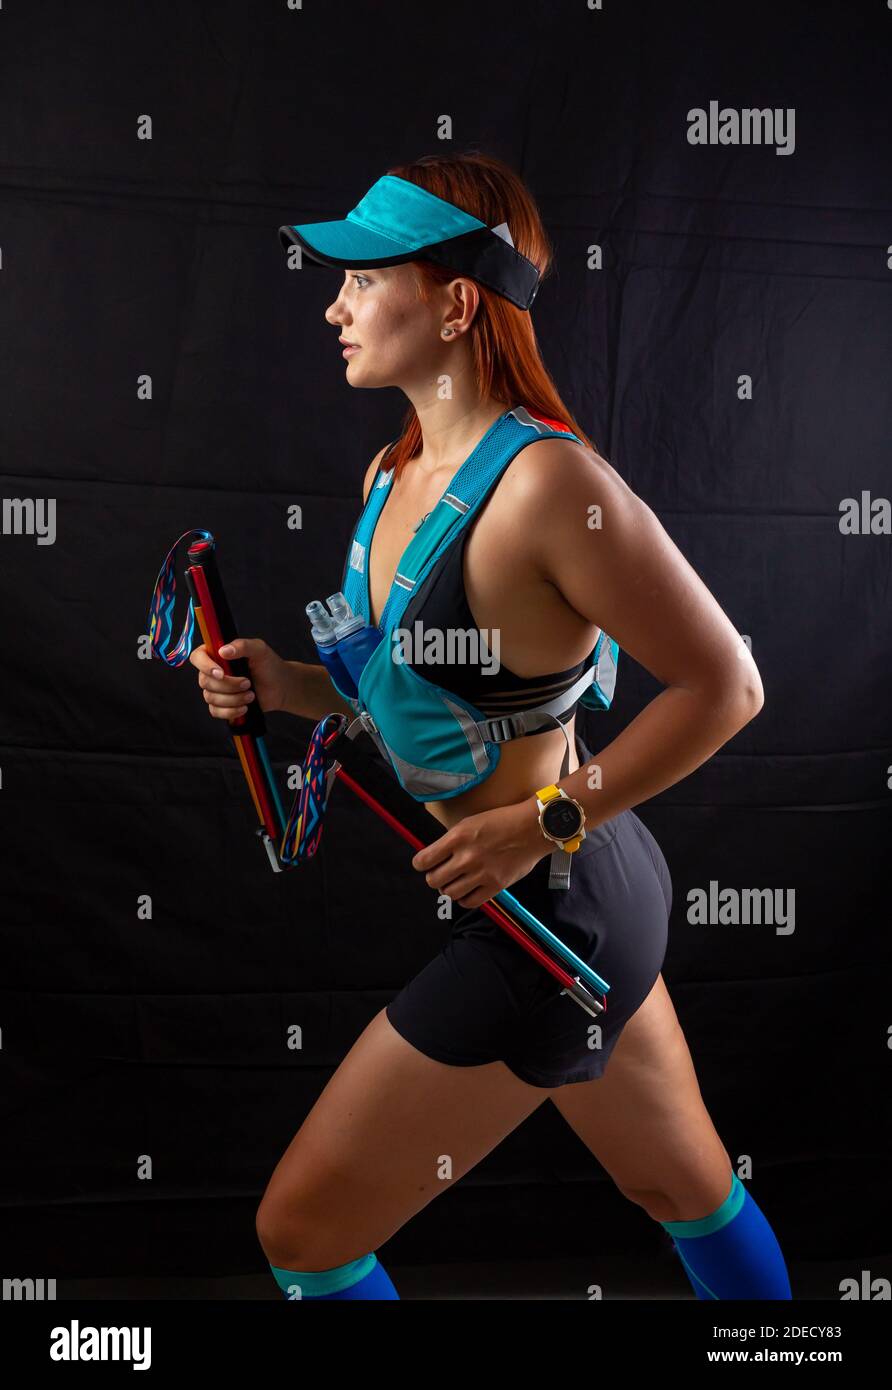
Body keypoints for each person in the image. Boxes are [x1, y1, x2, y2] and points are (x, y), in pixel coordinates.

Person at [189, 152, 791, 1302]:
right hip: (581, 899)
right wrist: (283, 687)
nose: (335, 305)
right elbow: (419, 695)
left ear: (456, 302)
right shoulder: (394, 472)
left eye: (365, 279)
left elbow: (728, 686)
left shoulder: (549, 489)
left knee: (302, 1232)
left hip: (555, 919)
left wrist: (545, 817)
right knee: (687, 1188)